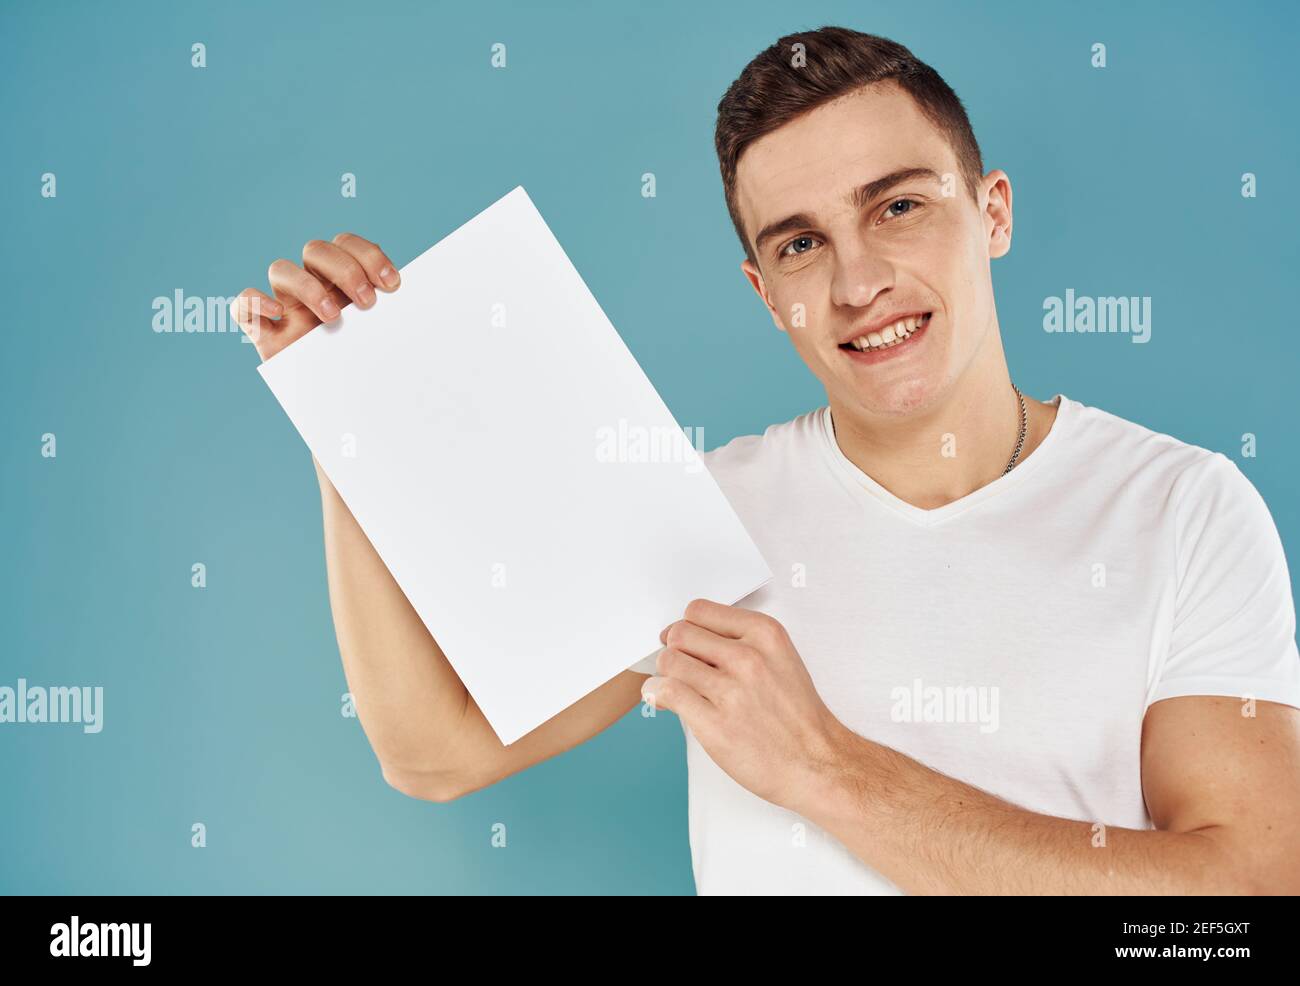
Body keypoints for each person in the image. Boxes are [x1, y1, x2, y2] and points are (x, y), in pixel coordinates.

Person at [232, 26, 1300, 895]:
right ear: (762, 290)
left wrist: (824, 769)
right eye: (799, 242)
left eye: (897, 206)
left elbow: (1242, 899)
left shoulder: (1181, 508)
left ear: (992, 214)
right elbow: (434, 750)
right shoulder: (705, 512)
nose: (857, 280)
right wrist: (342, 414)